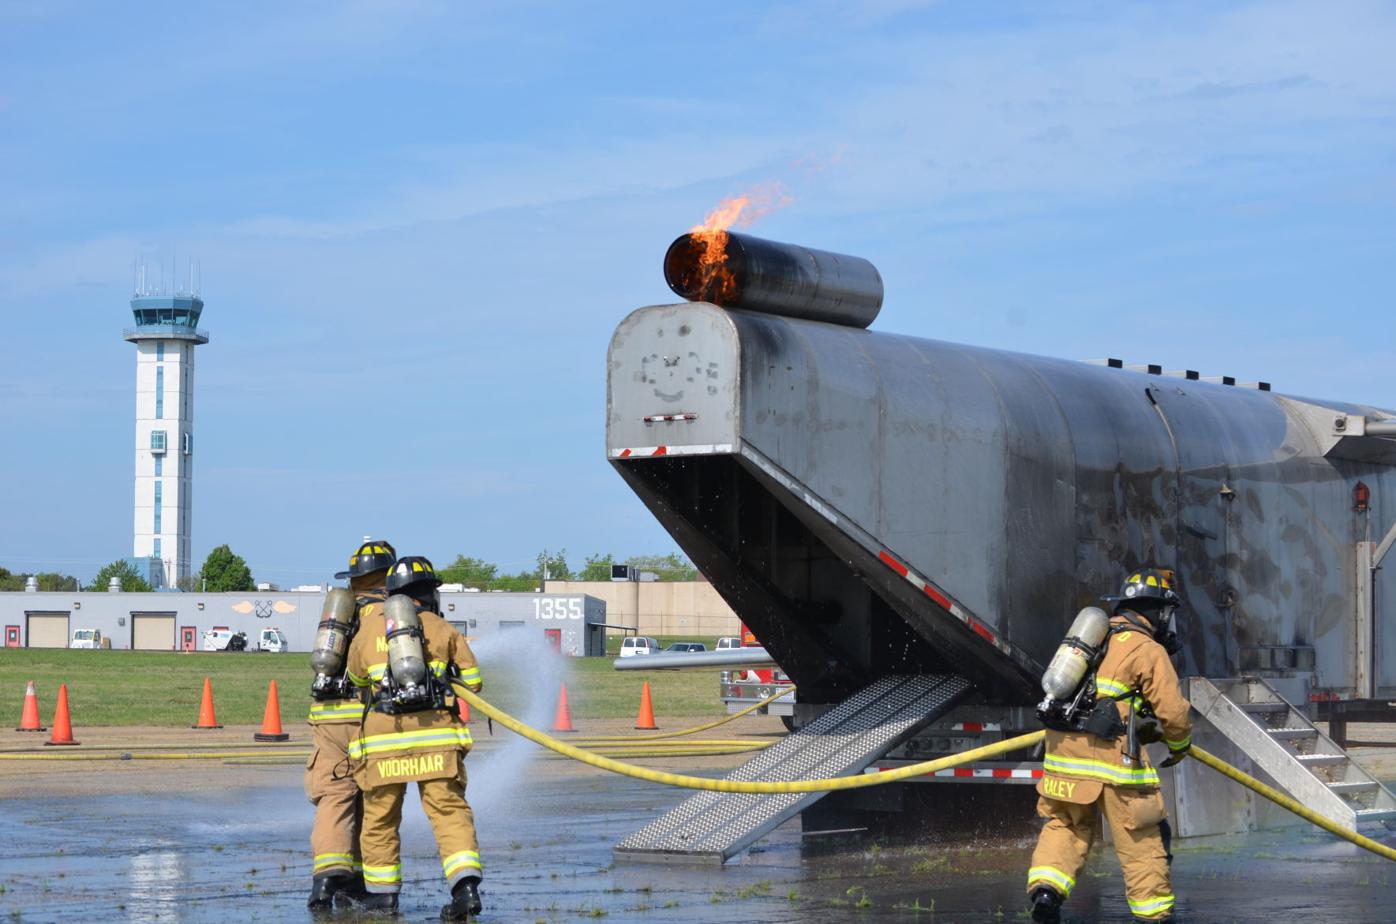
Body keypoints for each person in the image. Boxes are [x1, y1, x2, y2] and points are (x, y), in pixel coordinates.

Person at [1027, 568, 1192, 924]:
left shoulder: (1092, 641)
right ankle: (1154, 915)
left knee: (1065, 825)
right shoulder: (1146, 649)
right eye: (1165, 613)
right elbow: (1174, 713)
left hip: (1062, 755)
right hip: (1112, 763)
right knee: (1141, 837)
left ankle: (1045, 892)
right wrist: (1179, 745)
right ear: (1156, 612)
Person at [343, 555, 485, 920]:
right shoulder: (442, 627)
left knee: (379, 819)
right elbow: (473, 684)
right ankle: (465, 890)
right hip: (436, 741)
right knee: (449, 814)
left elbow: (357, 680)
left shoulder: (370, 628)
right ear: (428, 593)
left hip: (383, 744)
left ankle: (383, 897)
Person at [304, 539, 395, 911]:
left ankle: (327, 883)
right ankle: (375, 887)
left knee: (335, 797)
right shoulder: (390, 617)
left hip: (328, 718)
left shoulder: (339, 615)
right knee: (375, 800)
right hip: (368, 716)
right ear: (387, 578)